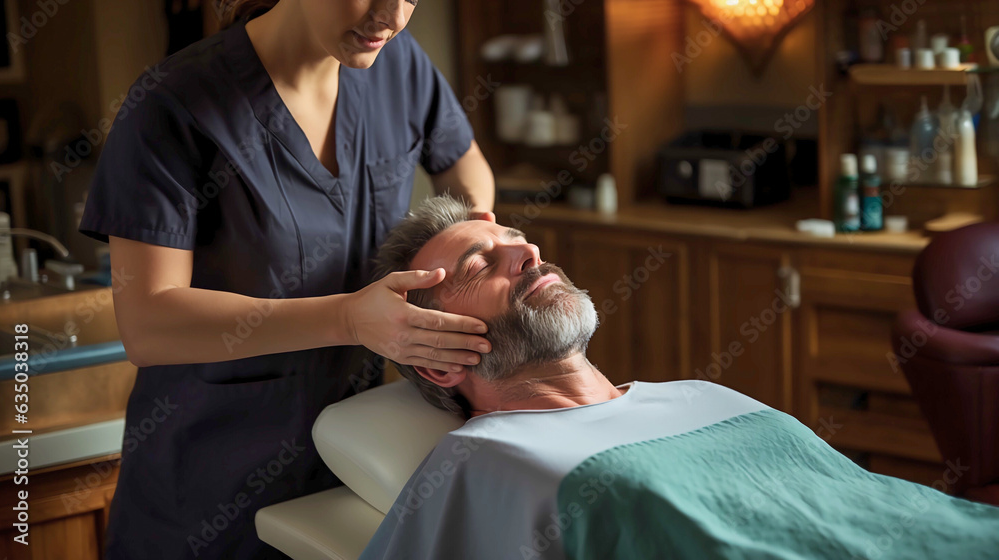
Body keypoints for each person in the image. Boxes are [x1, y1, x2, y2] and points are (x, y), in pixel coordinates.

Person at [360, 195, 999, 560]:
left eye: (518, 239)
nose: (526, 252)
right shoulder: (487, 458)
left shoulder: (699, 396)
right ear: (439, 359)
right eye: (480, 264)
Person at [78, 1, 495, 557]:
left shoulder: (397, 66)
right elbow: (148, 322)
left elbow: (469, 172)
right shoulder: (172, 104)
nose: (391, 16)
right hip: (207, 490)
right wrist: (351, 318)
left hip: (352, 473)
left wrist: (466, 253)